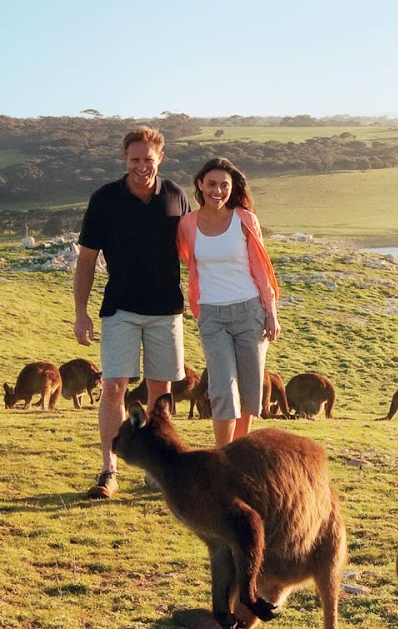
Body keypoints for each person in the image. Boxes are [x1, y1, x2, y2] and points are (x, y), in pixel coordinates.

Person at [74, 126, 191, 498]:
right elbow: (87, 261)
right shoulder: (105, 199)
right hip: (119, 309)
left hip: (166, 311)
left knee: (161, 391)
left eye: (148, 159)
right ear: (125, 159)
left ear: (161, 158)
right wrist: (81, 312)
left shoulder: (175, 196)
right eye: (135, 159)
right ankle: (109, 470)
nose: (142, 166)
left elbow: (195, 251)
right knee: (112, 388)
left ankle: (157, 469)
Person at [176, 157, 281, 446]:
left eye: (224, 185)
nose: (217, 191)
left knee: (249, 391)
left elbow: (260, 267)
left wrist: (270, 312)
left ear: (232, 187)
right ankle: (222, 458)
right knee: (222, 389)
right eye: (211, 184)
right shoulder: (187, 224)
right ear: (200, 185)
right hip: (212, 315)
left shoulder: (245, 219)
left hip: (250, 312)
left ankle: (237, 456)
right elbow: (186, 259)